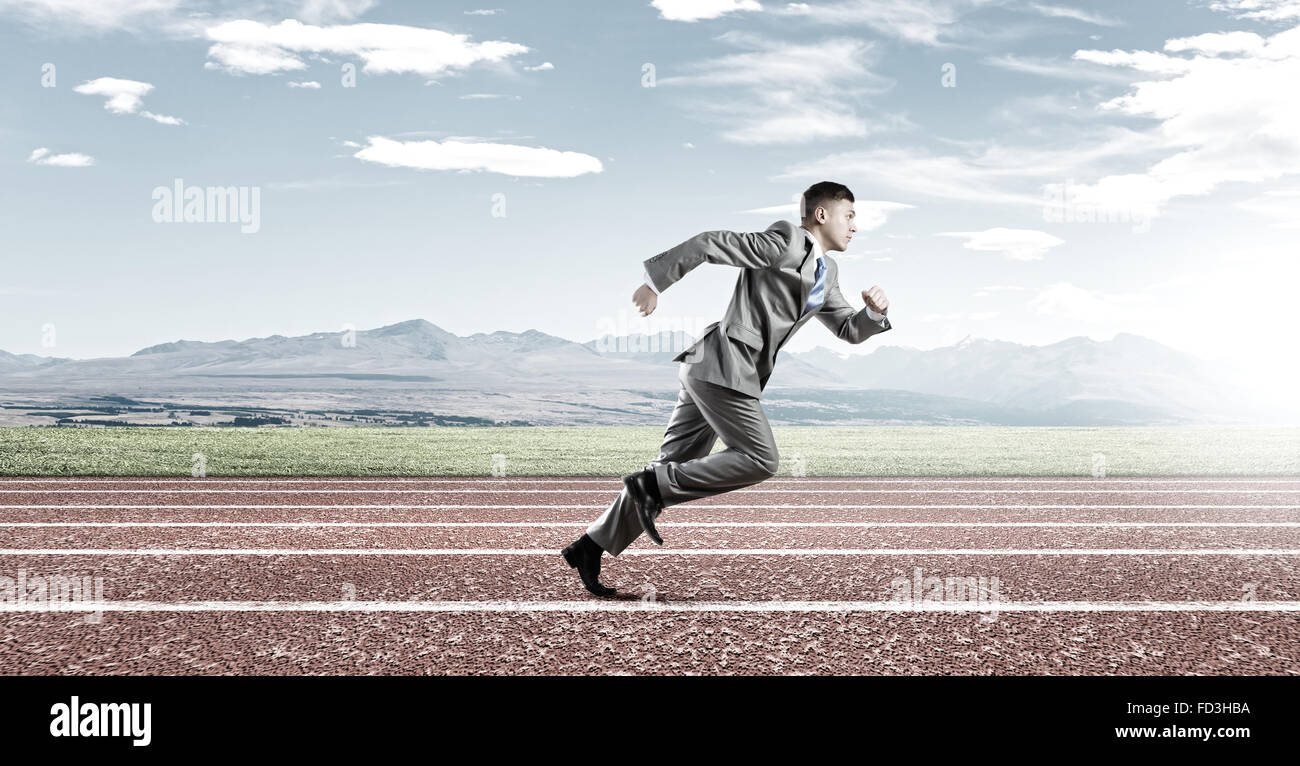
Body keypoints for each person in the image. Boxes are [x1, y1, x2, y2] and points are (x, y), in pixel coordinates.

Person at [561, 181, 893, 596]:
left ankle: (589, 546)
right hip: (725, 366)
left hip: (713, 369)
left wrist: (874, 313)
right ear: (821, 215)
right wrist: (654, 282)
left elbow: (848, 327)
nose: (855, 227)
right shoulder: (786, 240)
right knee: (759, 458)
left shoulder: (828, 272)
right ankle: (650, 486)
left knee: (673, 465)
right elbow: (709, 243)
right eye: (850, 215)